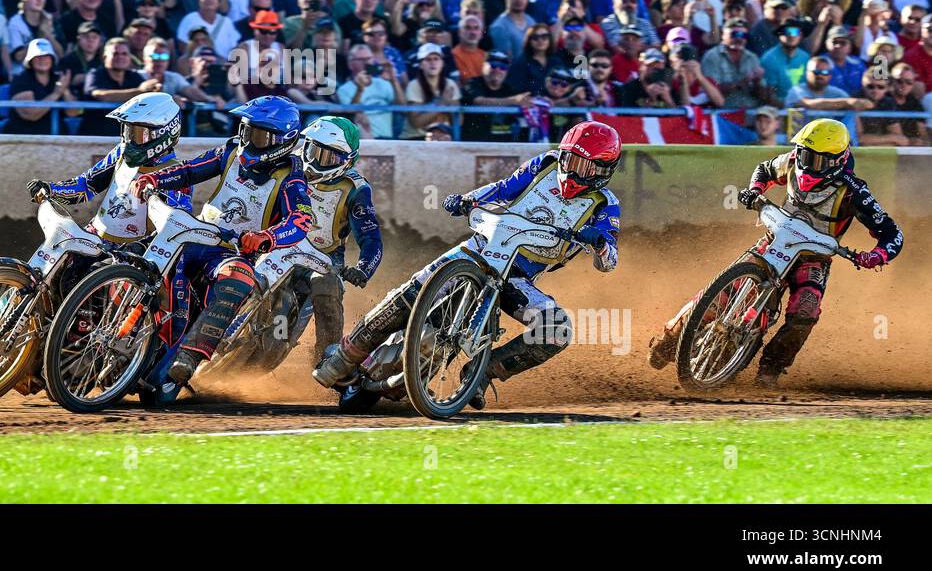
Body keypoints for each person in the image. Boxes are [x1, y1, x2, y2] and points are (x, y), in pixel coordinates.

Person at [314, 121, 622, 409]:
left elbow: (609, 262)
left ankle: (482, 371)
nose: (570, 169)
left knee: (556, 330)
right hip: (481, 247)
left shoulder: (604, 204)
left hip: (517, 279)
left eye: (582, 165)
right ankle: (344, 357)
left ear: (602, 170)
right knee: (413, 289)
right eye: (569, 159)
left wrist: (599, 242)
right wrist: (466, 200)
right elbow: (504, 188)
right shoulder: (545, 164)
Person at [648, 118, 903, 387]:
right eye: (805, 153)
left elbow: (892, 234)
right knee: (720, 293)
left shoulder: (854, 191)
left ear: (837, 161)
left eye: (817, 160)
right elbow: (765, 170)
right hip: (773, 242)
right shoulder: (793, 160)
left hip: (813, 259)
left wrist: (874, 256)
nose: (807, 163)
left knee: (805, 311)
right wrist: (755, 191)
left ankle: (771, 369)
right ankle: (670, 338)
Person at [129, 95, 312, 389]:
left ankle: (187, 358)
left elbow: (300, 221)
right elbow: (190, 169)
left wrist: (267, 237)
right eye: (245, 130)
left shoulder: (292, 178)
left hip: (235, 251)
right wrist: (156, 180)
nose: (248, 140)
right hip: (194, 235)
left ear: (283, 141)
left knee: (237, 279)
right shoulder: (230, 151)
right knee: (129, 254)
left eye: (258, 136)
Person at [27, 91, 192, 247]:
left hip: (134, 254)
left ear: (164, 133)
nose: (130, 139)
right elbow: (87, 185)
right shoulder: (121, 152)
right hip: (94, 237)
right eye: (128, 131)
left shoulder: (176, 173)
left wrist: (141, 248)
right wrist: (51, 189)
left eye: (139, 133)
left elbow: (173, 229)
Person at [295, 117, 383, 367]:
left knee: (327, 286)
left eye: (329, 157)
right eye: (313, 151)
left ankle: (328, 359)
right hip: (278, 244)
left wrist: (363, 269)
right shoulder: (289, 167)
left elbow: (371, 238)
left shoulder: (356, 188)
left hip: (324, 257)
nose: (315, 162)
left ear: (348, 160)